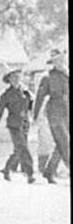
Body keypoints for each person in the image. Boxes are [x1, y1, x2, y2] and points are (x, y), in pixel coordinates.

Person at [0, 68, 35, 183]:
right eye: (13, 78)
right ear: (9, 80)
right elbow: (0, 111)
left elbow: (31, 105)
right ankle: (29, 174)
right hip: (14, 125)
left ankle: (7, 169)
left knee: (18, 150)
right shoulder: (6, 95)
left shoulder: (25, 92)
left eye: (18, 77)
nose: (16, 80)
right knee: (23, 148)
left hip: (25, 124)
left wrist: (33, 115)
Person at [34, 51, 69, 182]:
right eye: (57, 61)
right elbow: (39, 97)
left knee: (61, 143)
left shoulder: (66, 75)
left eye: (62, 60)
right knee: (64, 142)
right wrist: (35, 115)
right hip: (54, 113)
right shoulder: (47, 77)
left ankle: (49, 171)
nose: (61, 63)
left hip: (66, 112)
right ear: (53, 63)